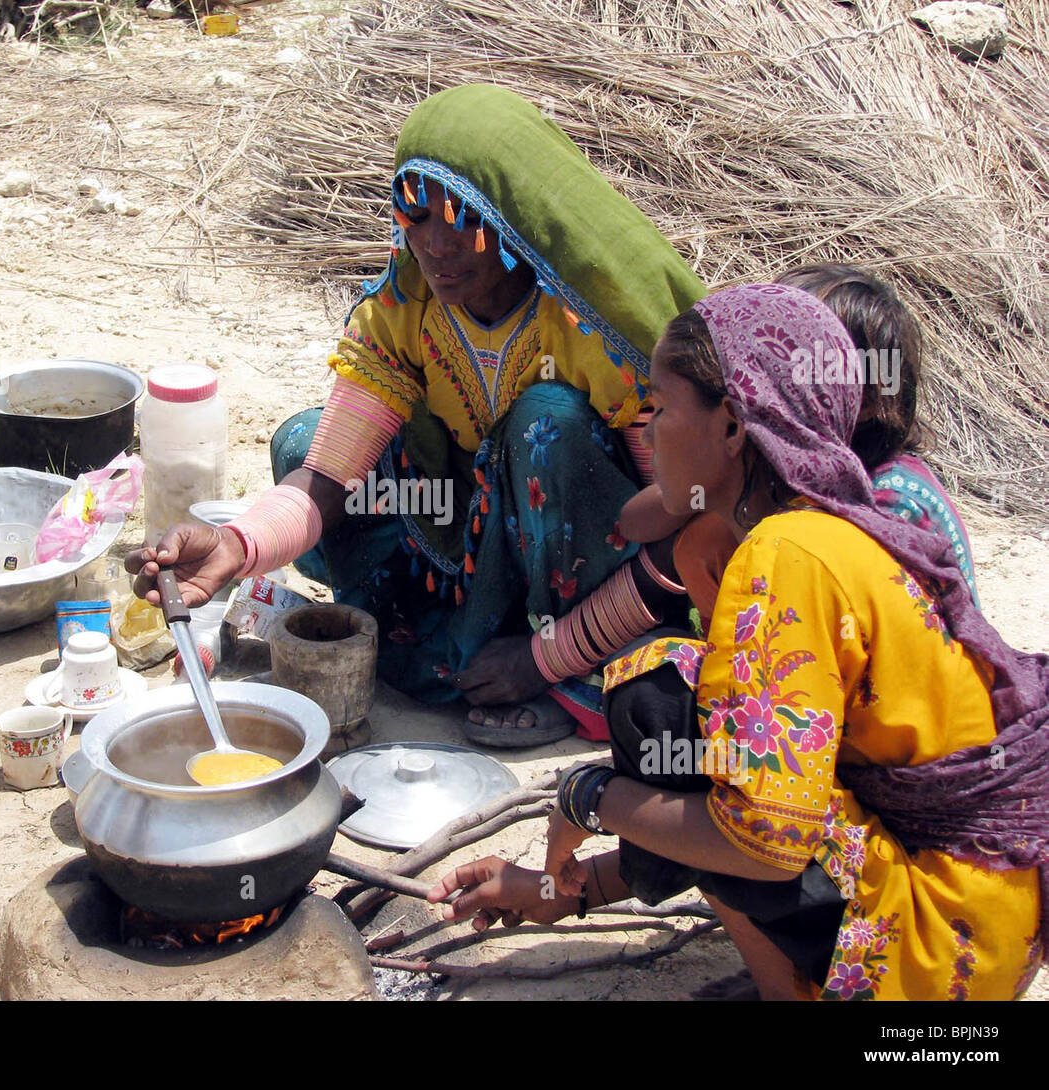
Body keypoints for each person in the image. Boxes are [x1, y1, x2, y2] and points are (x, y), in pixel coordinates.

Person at [430, 283, 1047, 999]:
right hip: (988, 925)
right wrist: (561, 889)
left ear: (731, 427)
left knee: (659, 696)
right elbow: (767, 797)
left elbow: (765, 840)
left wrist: (586, 794)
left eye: (661, 407)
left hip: (938, 952)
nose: (649, 431)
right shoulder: (828, 527)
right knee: (707, 722)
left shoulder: (786, 555)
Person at [128, 84, 705, 747]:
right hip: (473, 527)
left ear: (514, 218)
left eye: (462, 219)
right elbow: (330, 477)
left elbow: (683, 523)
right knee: (302, 441)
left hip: (579, 554)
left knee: (546, 422)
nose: (435, 245)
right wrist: (235, 548)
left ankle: (569, 677)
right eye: (418, 217)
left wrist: (550, 654)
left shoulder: (590, 326)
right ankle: (449, 644)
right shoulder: (407, 304)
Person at [619, 262, 981, 632]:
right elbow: (635, 521)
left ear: (865, 399)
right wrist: (702, 485)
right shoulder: (769, 479)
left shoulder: (888, 507)